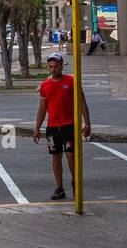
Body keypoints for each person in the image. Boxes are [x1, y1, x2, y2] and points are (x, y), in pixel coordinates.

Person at [33, 52, 92, 201]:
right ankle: (59, 188)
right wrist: (37, 128)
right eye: (50, 67)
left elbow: (82, 102)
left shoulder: (71, 81)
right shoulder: (45, 85)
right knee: (56, 156)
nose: (53, 69)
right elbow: (42, 108)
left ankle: (75, 181)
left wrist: (87, 124)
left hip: (69, 125)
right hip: (53, 127)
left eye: (55, 66)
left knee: (70, 155)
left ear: (61, 66)